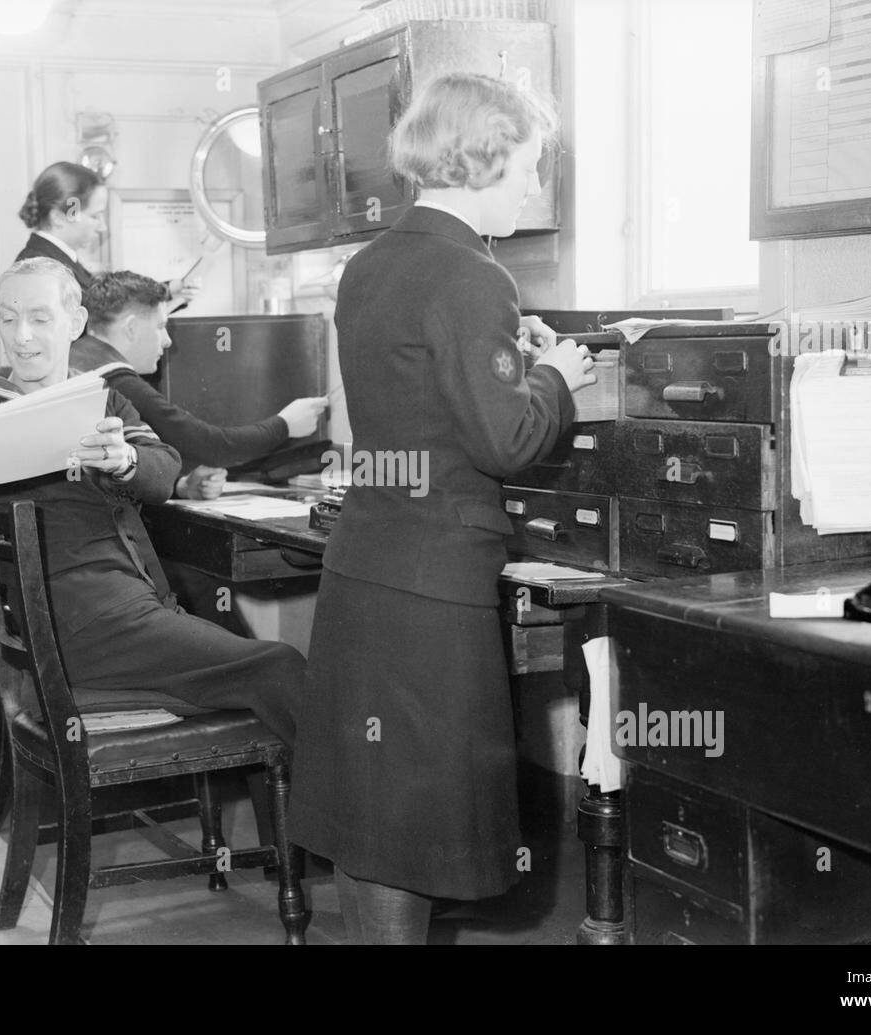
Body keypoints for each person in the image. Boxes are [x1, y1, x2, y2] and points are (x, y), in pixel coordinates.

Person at [286, 74, 597, 944]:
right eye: (529, 166)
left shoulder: (370, 264)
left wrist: (511, 358)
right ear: (485, 157)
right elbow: (505, 443)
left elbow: (423, 395)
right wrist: (556, 377)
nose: (535, 185)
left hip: (371, 563)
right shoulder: (471, 272)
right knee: (415, 816)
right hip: (434, 583)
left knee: (376, 812)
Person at [0, 257, 302, 745]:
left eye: (39, 319)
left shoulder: (99, 398)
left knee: (258, 665)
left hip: (123, 613)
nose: (20, 336)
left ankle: (305, 813)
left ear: (75, 323)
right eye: (7, 318)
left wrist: (124, 459)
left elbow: (163, 471)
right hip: (85, 629)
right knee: (277, 666)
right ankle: (338, 819)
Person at [72, 270, 329, 502]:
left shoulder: (80, 361)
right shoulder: (115, 380)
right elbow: (211, 446)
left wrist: (180, 486)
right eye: (160, 326)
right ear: (130, 328)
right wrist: (285, 425)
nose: (167, 340)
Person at [15, 162, 197, 310]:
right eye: (94, 216)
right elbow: (98, 319)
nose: (102, 227)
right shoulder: (39, 269)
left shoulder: (58, 260)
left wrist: (169, 290)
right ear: (58, 217)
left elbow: (105, 302)